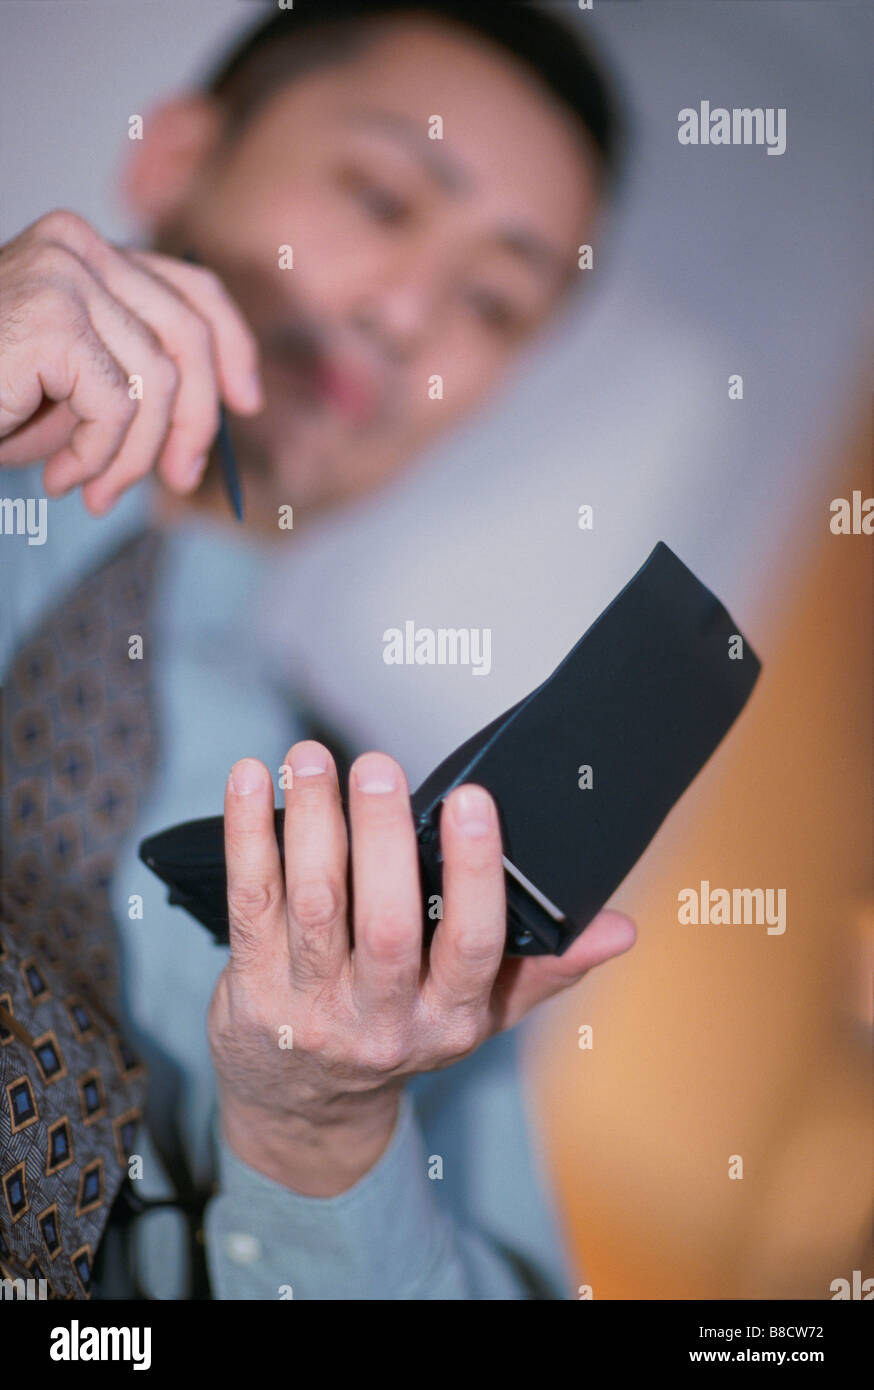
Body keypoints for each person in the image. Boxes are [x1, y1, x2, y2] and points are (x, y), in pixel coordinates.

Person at [0, 1, 635, 1300]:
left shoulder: (404, 894)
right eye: (383, 194)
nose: (406, 316)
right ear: (177, 154)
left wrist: (319, 1137)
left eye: (493, 302)